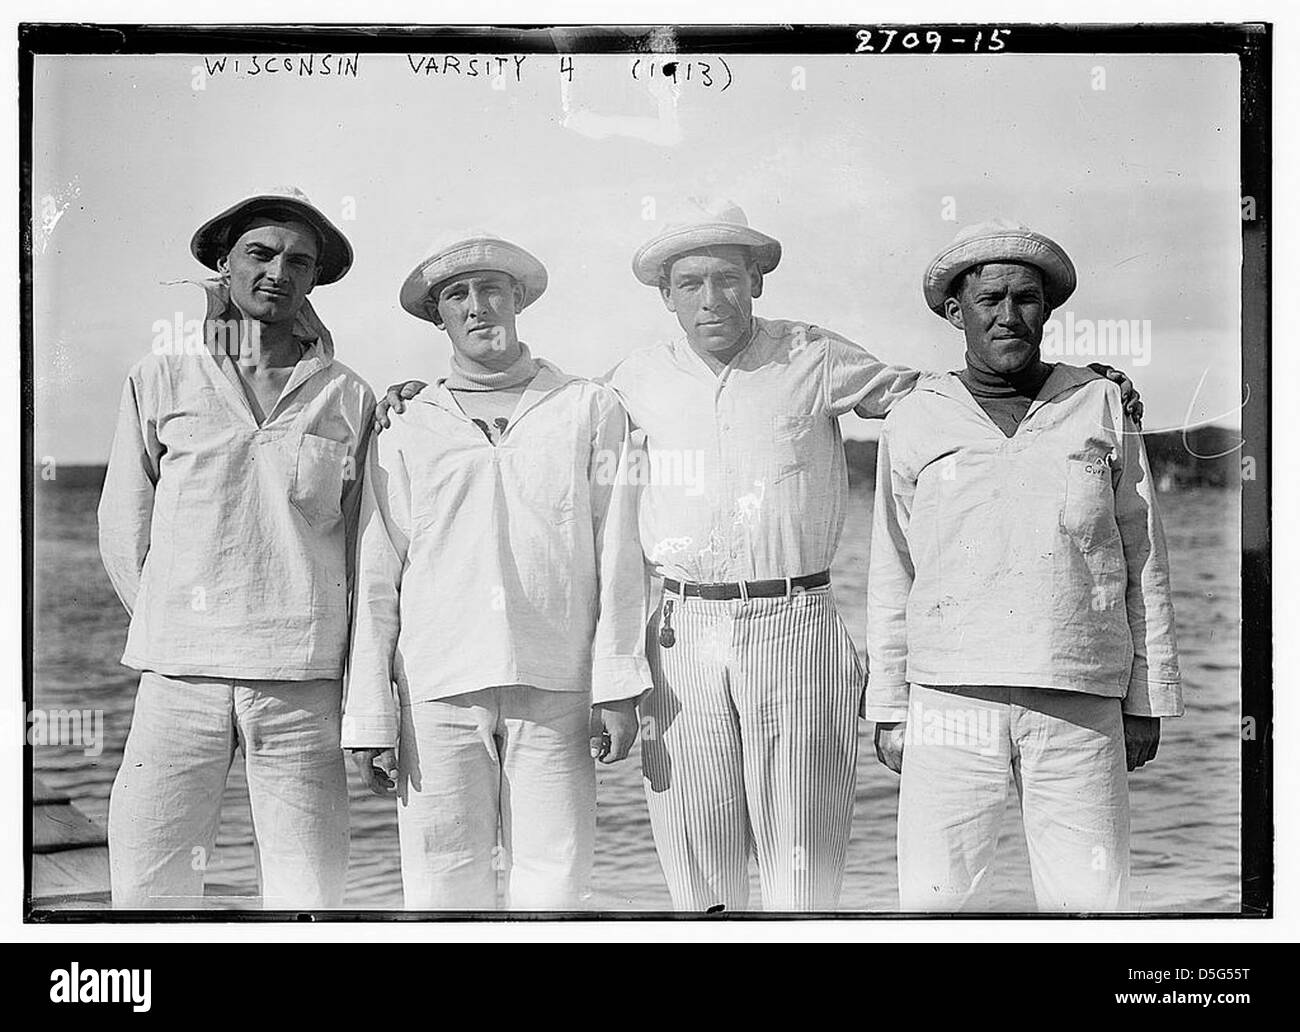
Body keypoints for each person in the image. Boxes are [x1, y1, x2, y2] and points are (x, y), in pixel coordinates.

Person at [377, 199, 1144, 913]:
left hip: (799, 624)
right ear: (666, 297)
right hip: (680, 636)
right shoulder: (628, 383)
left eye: (727, 278)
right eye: (691, 283)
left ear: (755, 282)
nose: (712, 298)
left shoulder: (812, 355)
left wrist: (1079, 384)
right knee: (699, 873)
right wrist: (422, 395)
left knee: (803, 873)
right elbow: (540, 416)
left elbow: (933, 394)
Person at [867, 218, 1182, 912]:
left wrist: (1146, 699)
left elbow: (1143, 557)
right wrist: (890, 708)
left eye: (1028, 299)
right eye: (990, 301)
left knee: (1093, 905)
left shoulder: (1098, 404)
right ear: (957, 313)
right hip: (949, 700)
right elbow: (893, 569)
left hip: (1079, 696)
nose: (1010, 316)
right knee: (935, 906)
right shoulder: (917, 417)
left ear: (1048, 309)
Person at [342, 232, 650, 910]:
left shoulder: (588, 408)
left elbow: (620, 554)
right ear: (437, 315)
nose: (478, 307)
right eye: (457, 295)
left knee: (555, 888)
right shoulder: (406, 424)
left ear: (517, 301)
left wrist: (618, 686)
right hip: (437, 691)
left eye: (492, 291)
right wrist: (368, 718)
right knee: (441, 891)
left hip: (557, 686)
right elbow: (375, 577)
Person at [98, 186, 374, 908]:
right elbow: (124, 527)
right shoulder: (160, 377)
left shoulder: (350, 397)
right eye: (260, 253)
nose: (277, 271)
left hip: (300, 678)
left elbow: (361, 544)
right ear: (224, 265)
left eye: (298, 261)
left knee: (309, 891)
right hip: (177, 675)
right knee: (150, 885)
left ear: (315, 280)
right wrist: (171, 620)